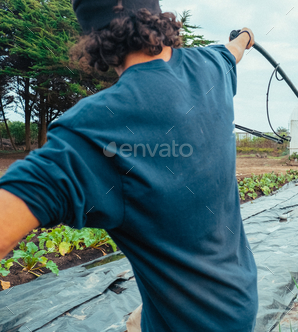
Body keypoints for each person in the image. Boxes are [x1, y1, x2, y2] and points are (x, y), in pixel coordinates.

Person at [0, 1, 257, 331]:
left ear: (96, 40)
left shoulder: (94, 131)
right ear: (159, 17)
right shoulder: (211, 67)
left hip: (191, 323)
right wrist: (246, 36)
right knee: (136, 321)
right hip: (240, 300)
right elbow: (233, 49)